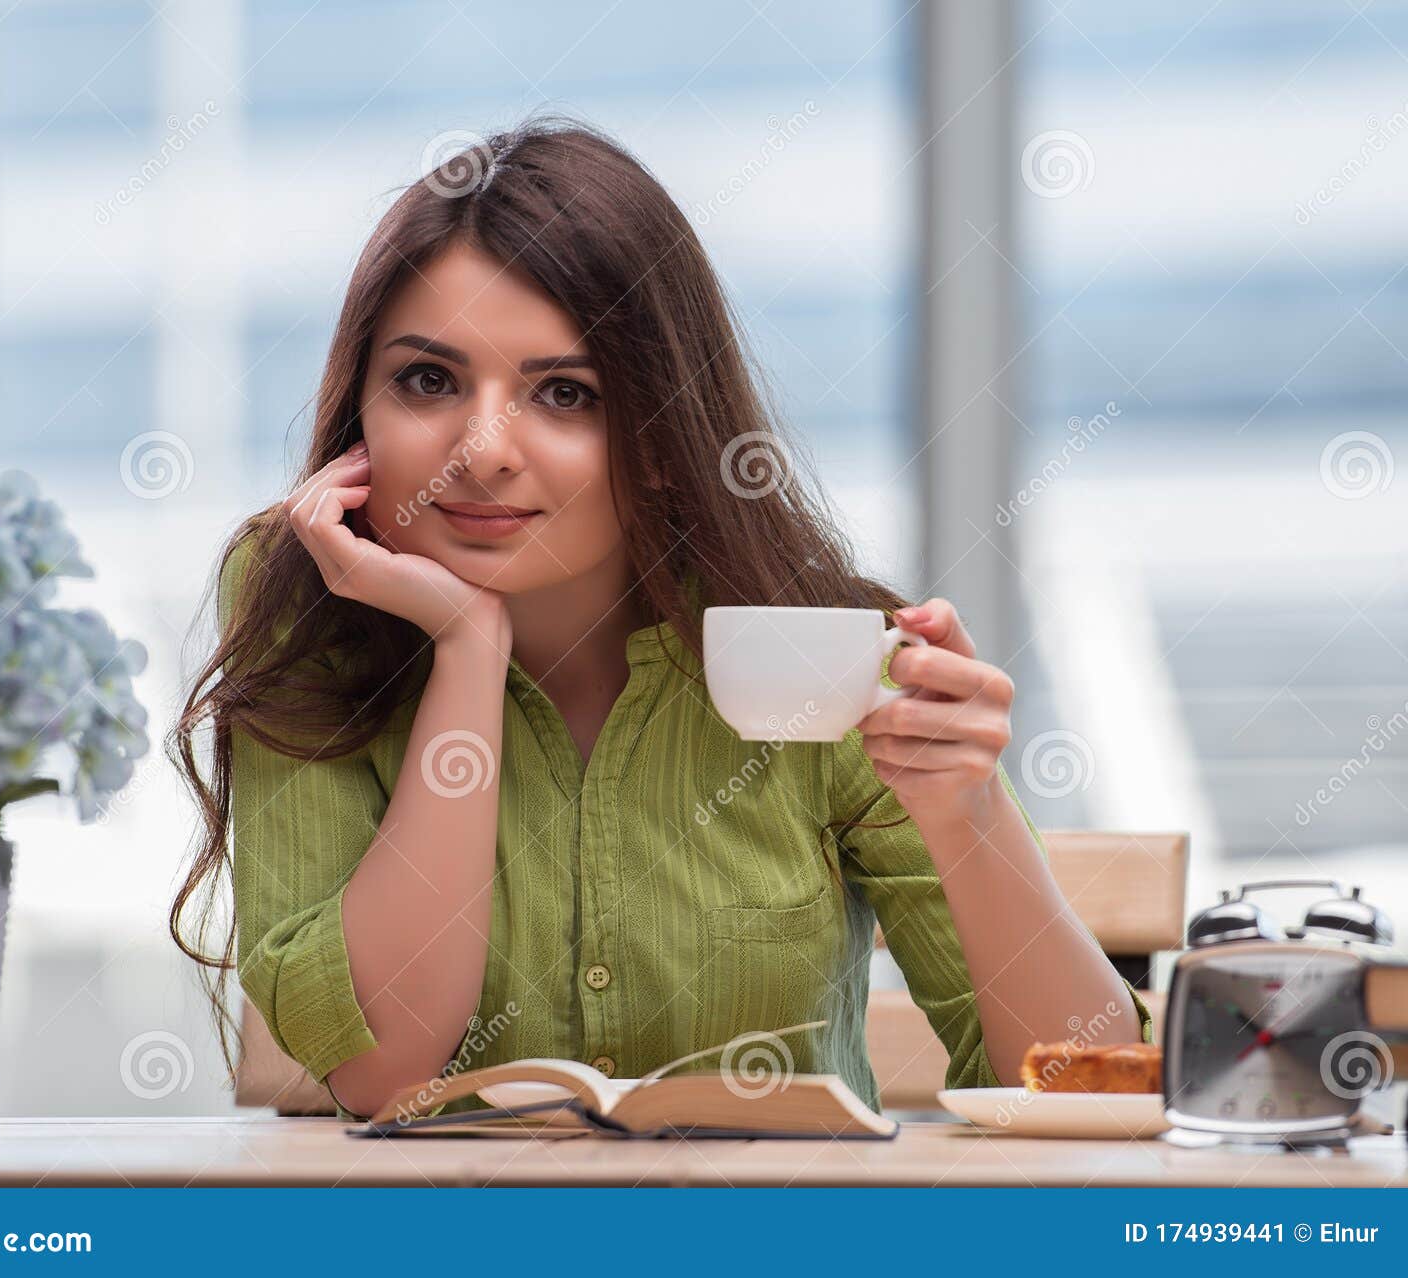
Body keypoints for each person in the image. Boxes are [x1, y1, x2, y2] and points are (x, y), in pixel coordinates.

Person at [170, 115, 1148, 1121]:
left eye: (563, 393)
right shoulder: (305, 606)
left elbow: (1080, 1085)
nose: (482, 450)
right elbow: (384, 1069)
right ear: (360, 410)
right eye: (429, 381)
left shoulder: (815, 645)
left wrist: (968, 814)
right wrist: (467, 647)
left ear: (662, 431)